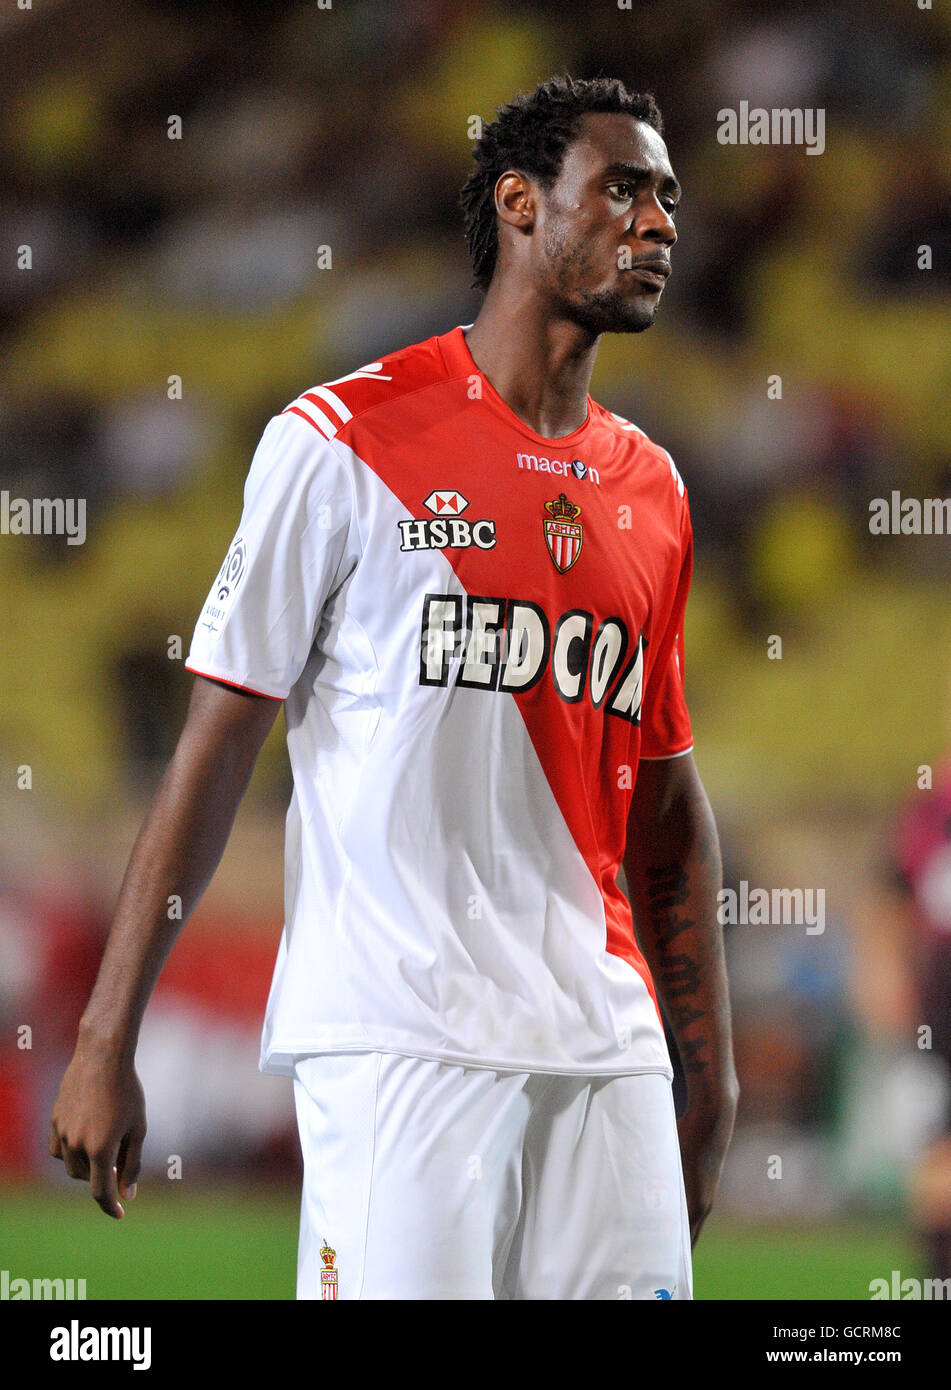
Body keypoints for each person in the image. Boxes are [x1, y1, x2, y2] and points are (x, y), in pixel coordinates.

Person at [50, 74, 738, 1300]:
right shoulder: (340, 443)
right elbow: (215, 751)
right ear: (521, 205)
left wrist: (706, 1066)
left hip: (607, 1055)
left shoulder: (656, 491)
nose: (661, 223)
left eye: (670, 197)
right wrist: (106, 1034)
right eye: (624, 189)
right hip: (401, 1042)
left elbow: (669, 807)